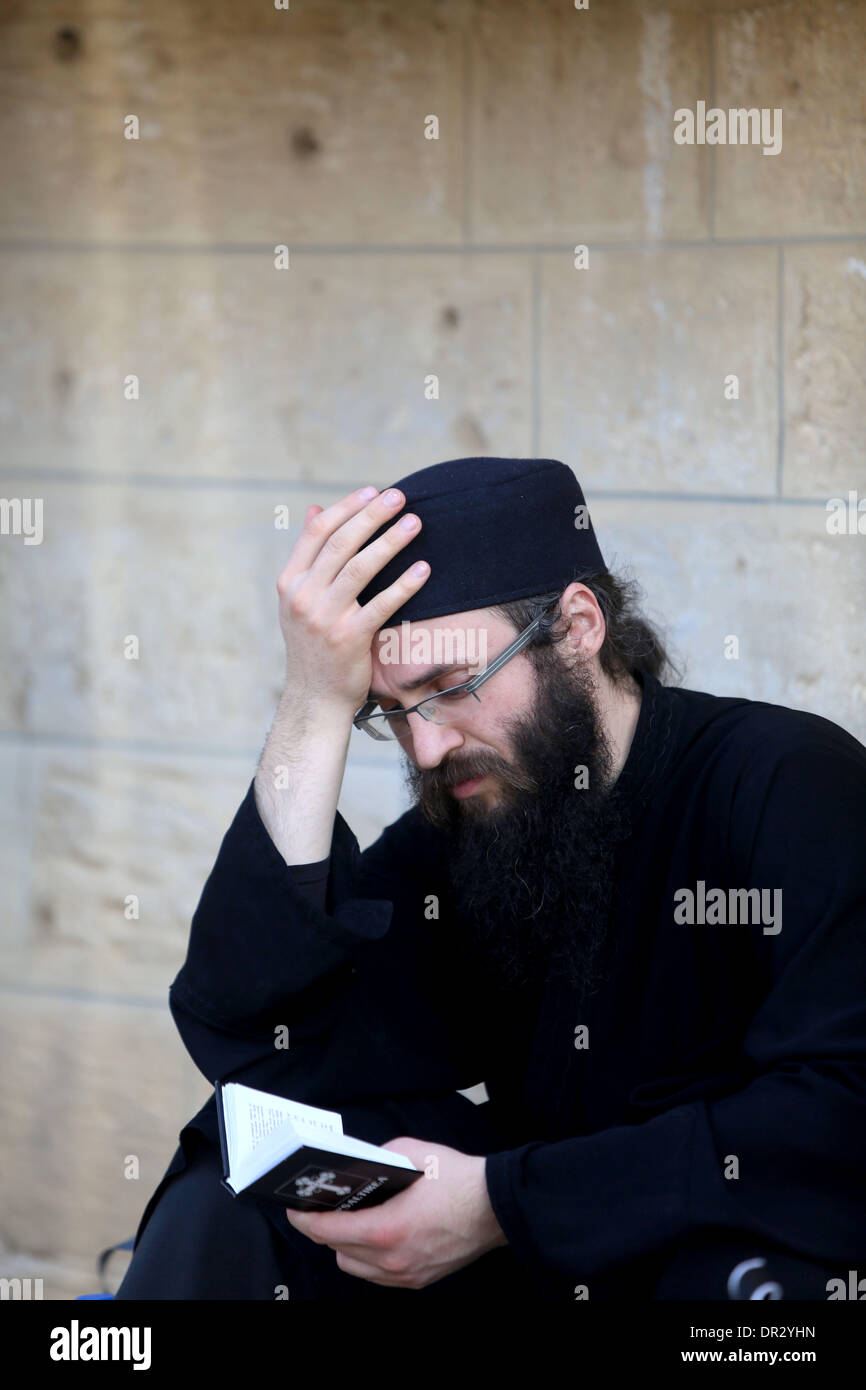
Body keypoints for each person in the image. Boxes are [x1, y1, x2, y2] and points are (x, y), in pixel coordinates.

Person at [116, 456, 866, 1300]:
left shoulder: (788, 786)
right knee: (234, 1178)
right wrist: (314, 700)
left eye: (451, 686)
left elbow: (838, 1118)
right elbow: (265, 1045)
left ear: (577, 627)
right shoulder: (477, 820)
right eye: (391, 712)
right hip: (531, 1268)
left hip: (724, 1264)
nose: (427, 749)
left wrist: (500, 1203)